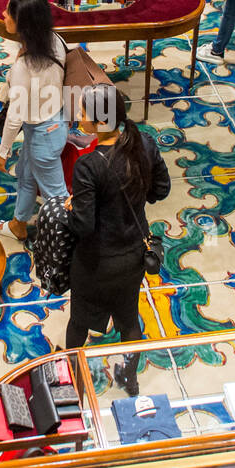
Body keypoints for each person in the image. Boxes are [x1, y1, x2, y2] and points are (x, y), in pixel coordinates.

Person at [65, 84, 170, 396]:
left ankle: (74, 378)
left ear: (100, 122)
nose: (79, 116)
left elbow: (83, 226)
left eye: (83, 111)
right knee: (128, 320)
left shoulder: (89, 165)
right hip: (133, 256)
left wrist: (70, 208)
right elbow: (160, 190)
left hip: (95, 262)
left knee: (79, 322)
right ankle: (131, 378)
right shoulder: (145, 144)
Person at [0, 0, 68, 241]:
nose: (3, 14)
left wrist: (3, 151)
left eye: (8, 12)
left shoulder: (25, 67)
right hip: (54, 123)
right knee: (25, 174)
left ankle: (67, 245)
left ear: (22, 22)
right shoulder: (55, 40)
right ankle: (18, 224)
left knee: (57, 199)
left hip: (43, 135)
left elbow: (15, 115)